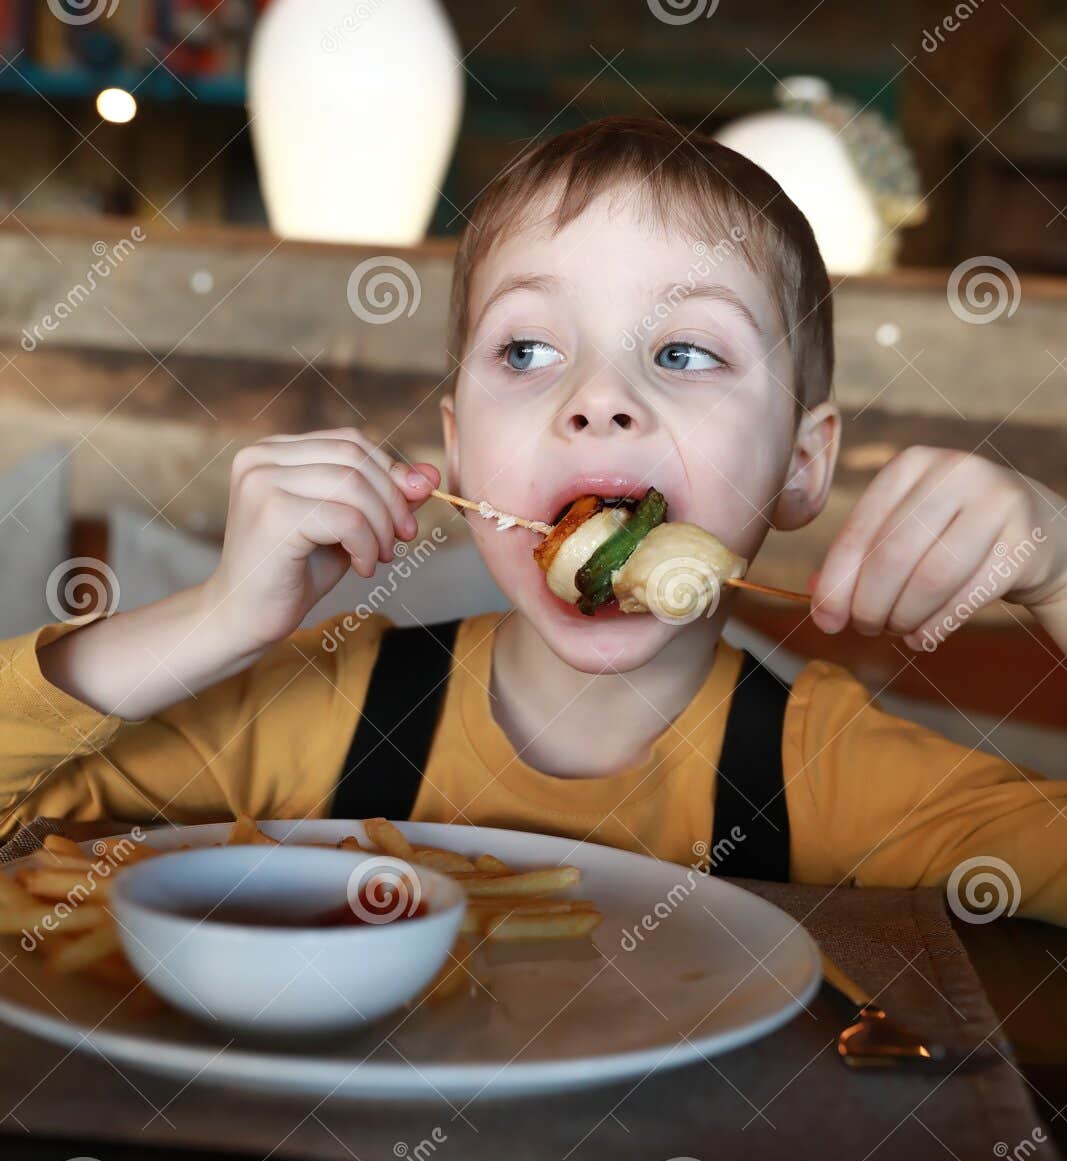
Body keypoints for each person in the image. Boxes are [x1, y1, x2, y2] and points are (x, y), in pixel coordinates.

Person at [2, 117, 1065, 923]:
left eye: (683, 351)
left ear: (799, 464)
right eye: (527, 349)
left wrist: (1058, 571)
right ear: (460, 450)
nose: (597, 398)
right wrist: (219, 618)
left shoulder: (831, 774)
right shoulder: (330, 709)